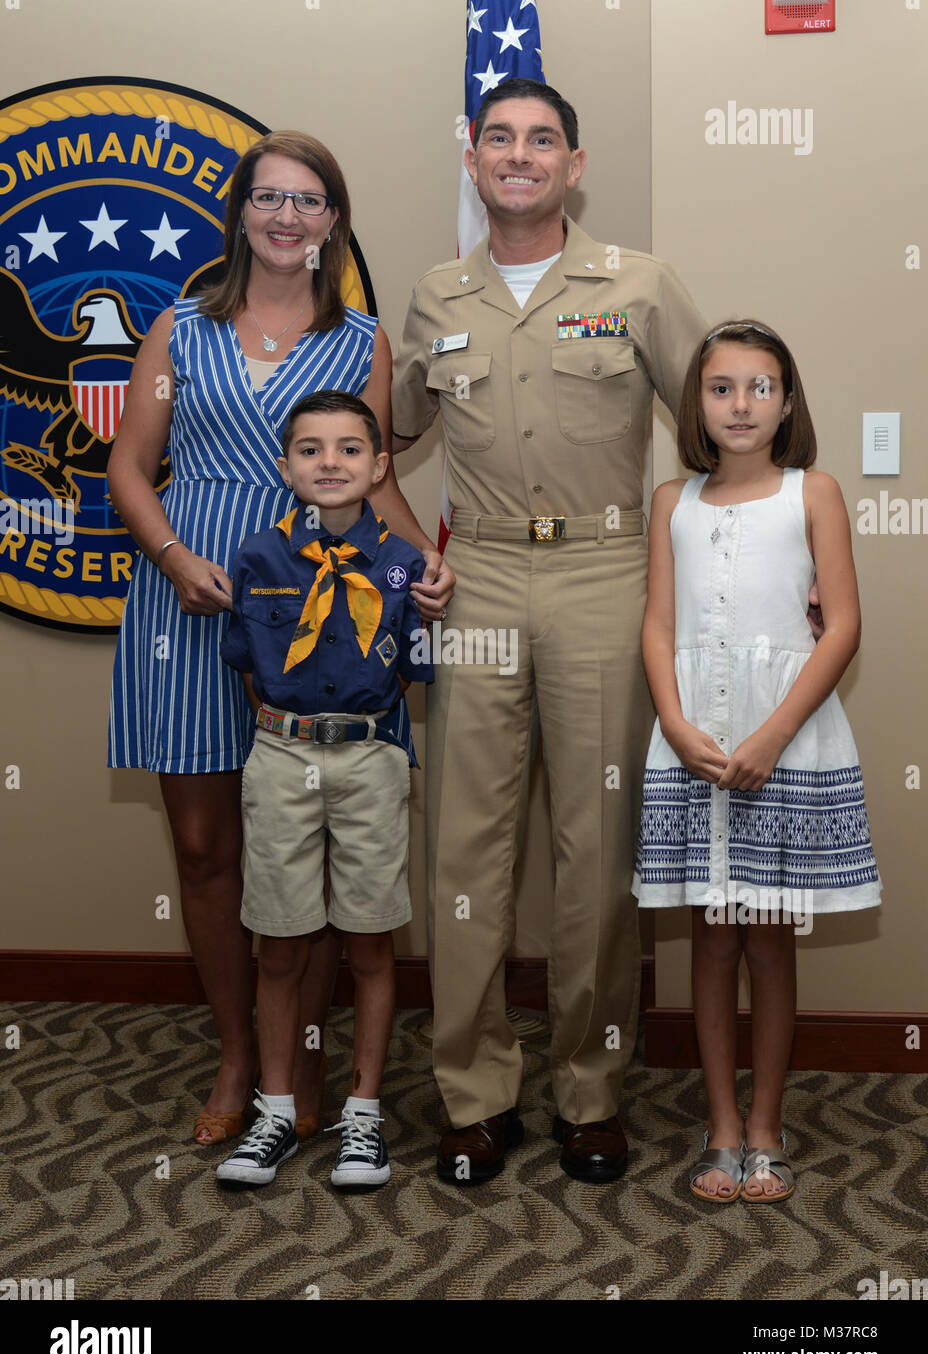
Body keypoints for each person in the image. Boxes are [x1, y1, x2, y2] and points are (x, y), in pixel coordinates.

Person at [392, 78, 708, 1183]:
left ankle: (589, 1090)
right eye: (498, 139)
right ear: (472, 160)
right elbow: (378, 437)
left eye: (541, 140)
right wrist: (410, 558)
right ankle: (474, 1094)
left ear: (574, 164)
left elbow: (718, 426)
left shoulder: (639, 284)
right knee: (464, 848)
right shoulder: (434, 300)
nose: (518, 156)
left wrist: (777, 561)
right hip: (476, 578)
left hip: (603, 574)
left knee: (594, 849)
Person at [107, 130, 451, 1147]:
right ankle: (236, 1055)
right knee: (211, 849)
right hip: (189, 597)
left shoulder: (361, 343)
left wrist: (418, 564)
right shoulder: (180, 328)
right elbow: (131, 465)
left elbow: (374, 475)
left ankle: (302, 1053)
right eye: (269, 198)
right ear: (241, 211)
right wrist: (174, 557)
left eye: (309, 202)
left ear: (333, 224)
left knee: (325, 841)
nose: (287, 217)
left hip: (323, 624)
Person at [632, 320, 881, 1203]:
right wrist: (672, 718)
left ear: (787, 402)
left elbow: (842, 624)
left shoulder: (814, 492)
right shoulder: (673, 500)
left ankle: (767, 1125)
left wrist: (773, 735)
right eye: (721, 387)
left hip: (789, 740)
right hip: (692, 737)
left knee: (771, 942)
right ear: (696, 402)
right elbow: (658, 625)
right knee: (708, 939)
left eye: (759, 387)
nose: (740, 404)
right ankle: (722, 1125)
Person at [214, 391, 432, 1186]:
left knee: (371, 941)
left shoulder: (407, 565)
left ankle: (363, 1115)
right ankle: (274, 1111)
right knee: (279, 943)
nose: (330, 463)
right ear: (286, 467)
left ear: (379, 467)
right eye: (310, 450)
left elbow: (417, 672)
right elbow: (246, 663)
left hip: (370, 758)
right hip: (280, 756)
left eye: (348, 449)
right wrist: (283, 737)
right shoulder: (257, 558)